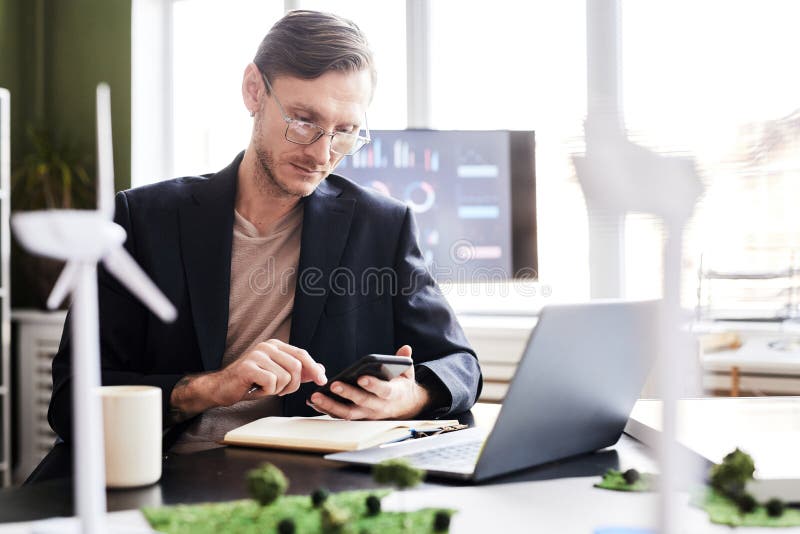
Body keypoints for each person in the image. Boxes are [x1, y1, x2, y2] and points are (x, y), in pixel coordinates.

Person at [48, 10, 482, 452]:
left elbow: (461, 365)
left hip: (306, 482)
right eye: (304, 121)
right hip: (161, 473)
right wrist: (211, 388)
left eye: (346, 131)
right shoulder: (143, 219)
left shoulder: (382, 226)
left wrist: (412, 396)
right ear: (254, 90)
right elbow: (72, 399)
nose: (322, 153)